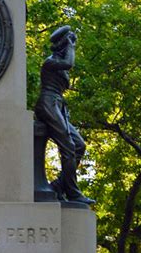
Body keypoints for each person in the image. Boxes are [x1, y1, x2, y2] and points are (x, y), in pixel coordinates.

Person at [34, 25, 95, 205]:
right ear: (62, 44)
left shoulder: (59, 64)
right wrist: (71, 46)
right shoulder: (50, 62)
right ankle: (73, 193)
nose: (71, 45)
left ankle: (59, 186)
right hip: (47, 104)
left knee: (79, 145)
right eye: (69, 41)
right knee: (68, 146)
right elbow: (69, 62)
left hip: (58, 105)